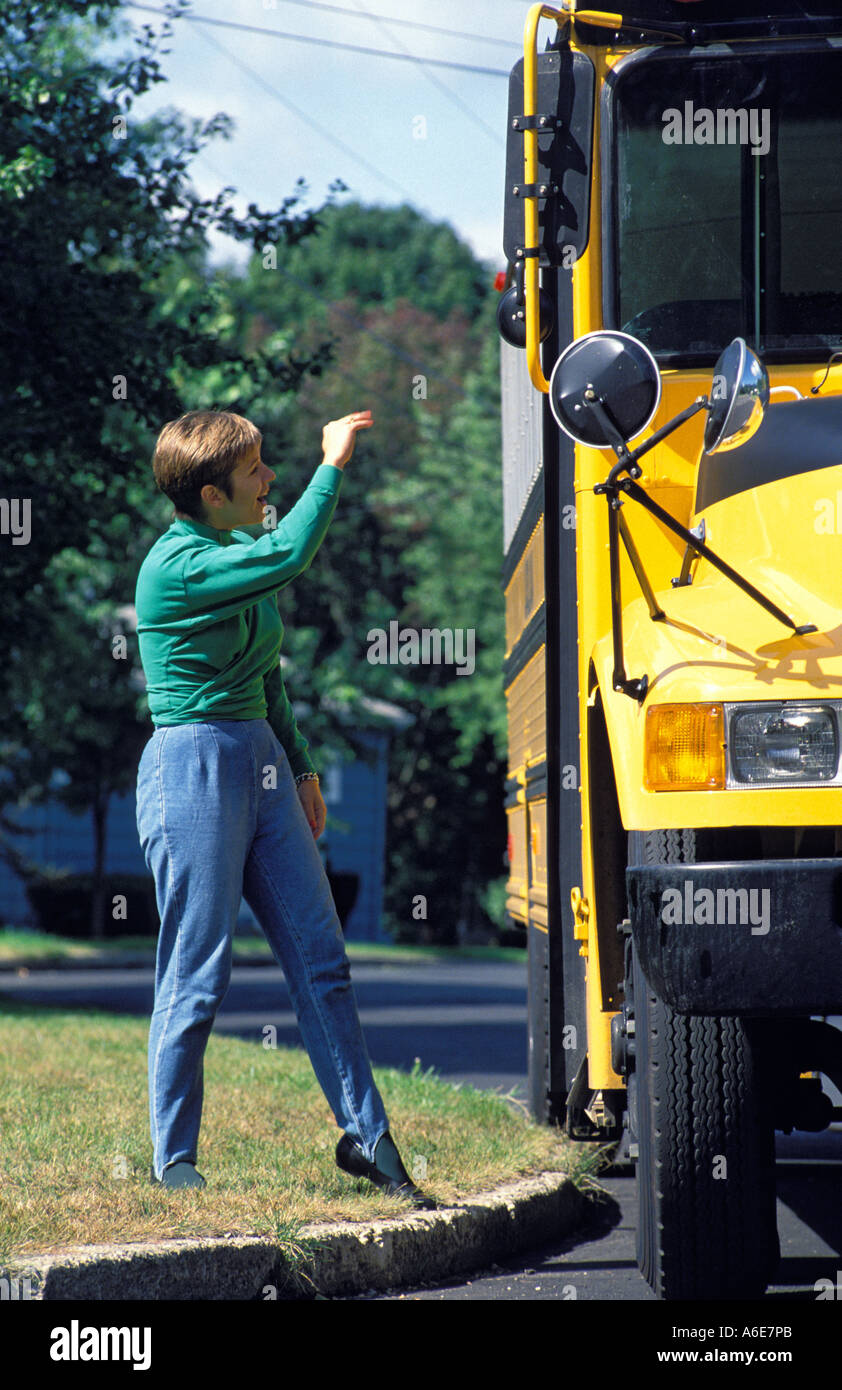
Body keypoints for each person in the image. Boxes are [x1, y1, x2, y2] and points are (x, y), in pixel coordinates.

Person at [133, 407, 434, 1209]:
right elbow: (294, 551)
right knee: (198, 969)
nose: (270, 480)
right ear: (210, 492)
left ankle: (368, 1139)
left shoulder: (234, 551)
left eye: (271, 467)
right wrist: (332, 464)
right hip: (192, 761)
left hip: (258, 758)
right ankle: (174, 1156)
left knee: (321, 955)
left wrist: (299, 767)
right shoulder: (180, 567)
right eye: (257, 471)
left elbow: (266, 675)